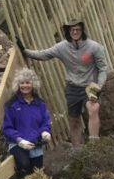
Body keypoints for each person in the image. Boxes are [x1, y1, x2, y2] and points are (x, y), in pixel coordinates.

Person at [18, 17, 108, 145]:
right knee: (74, 120)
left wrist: (99, 85)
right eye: (72, 30)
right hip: (72, 88)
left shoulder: (94, 47)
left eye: (77, 29)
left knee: (93, 108)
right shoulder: (62, 47)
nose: (75, 32)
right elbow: (43, 54)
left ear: (82, 30)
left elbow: (103, 68)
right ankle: (77, 150)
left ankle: (94, 145)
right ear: (68, 32)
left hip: (90, 87)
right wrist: (25, 51)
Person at [2, 68, 52, 179]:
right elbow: (7, 128)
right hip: (17, 144)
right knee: (24, 167)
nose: (25, 85)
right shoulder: (11, 104)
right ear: (18, 85)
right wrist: (19, 140)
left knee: (37, 174)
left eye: (27, 82)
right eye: (22, 83)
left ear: (33, 84)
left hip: (35, 144)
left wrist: (45, 132)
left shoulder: (40, 104)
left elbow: (45, 122)